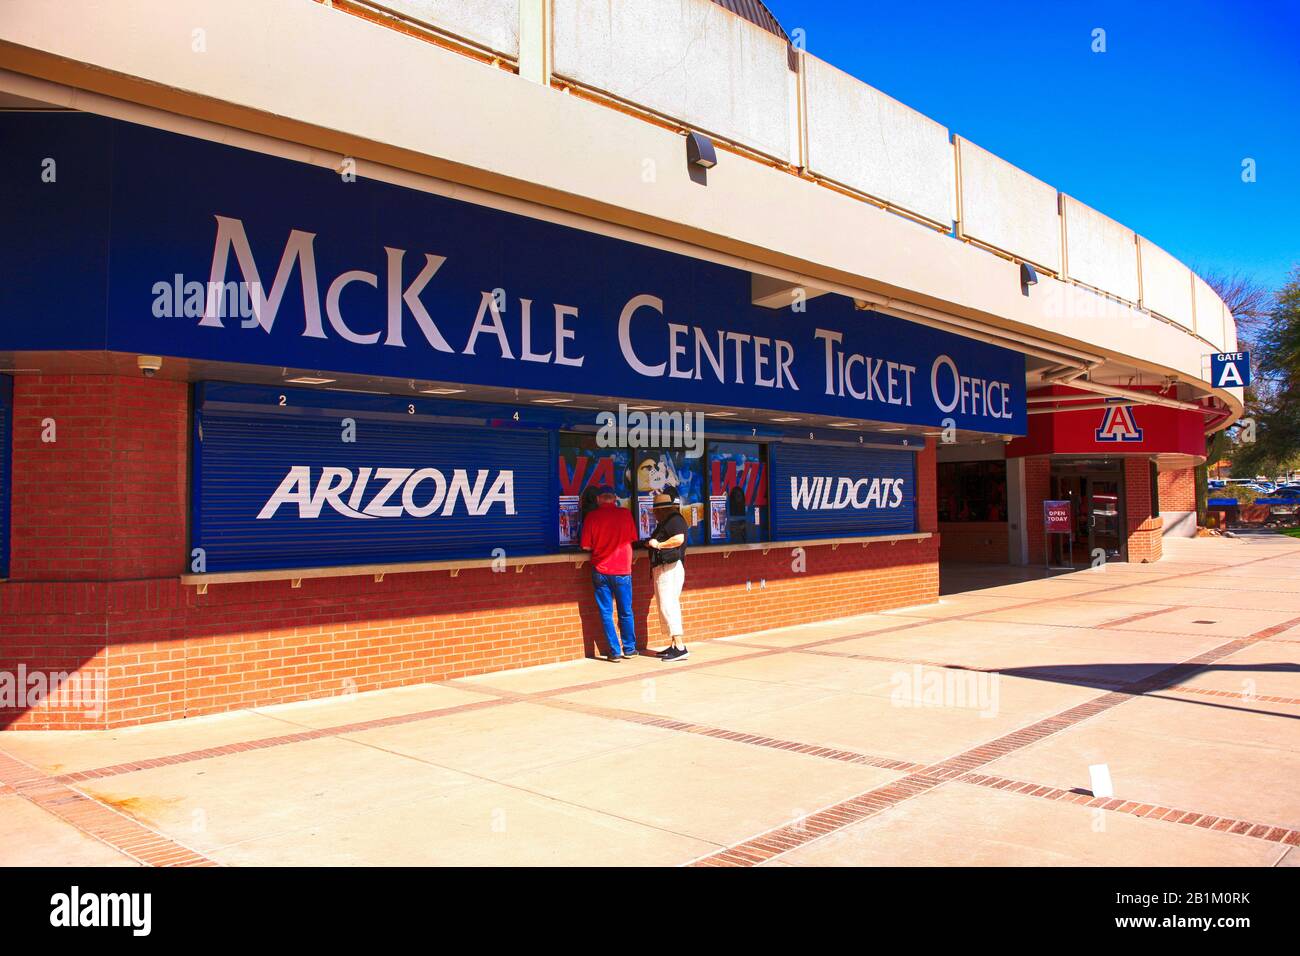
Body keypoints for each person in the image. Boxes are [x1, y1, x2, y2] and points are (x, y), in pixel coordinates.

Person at [579, 485, 639, 661]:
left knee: (606, 612)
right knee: (626, 611)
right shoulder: (626, 514)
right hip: (622, 570)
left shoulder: (592, 517)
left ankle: (614, 652)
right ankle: (629, 649)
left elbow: (586, 546)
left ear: (598, 499)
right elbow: (633, 539)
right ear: (614, 498)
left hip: (601, 570)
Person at [646, 490, 690, 662]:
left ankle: (680, 646)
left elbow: (678, 539)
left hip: (670, 568)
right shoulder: (666, 522)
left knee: (669, 605)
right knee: (664, 605)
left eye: (655, 511)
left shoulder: (675, 520)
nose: (654, 515)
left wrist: (658, 544)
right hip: (664, 567)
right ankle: (673, 644)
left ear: (662, 509)